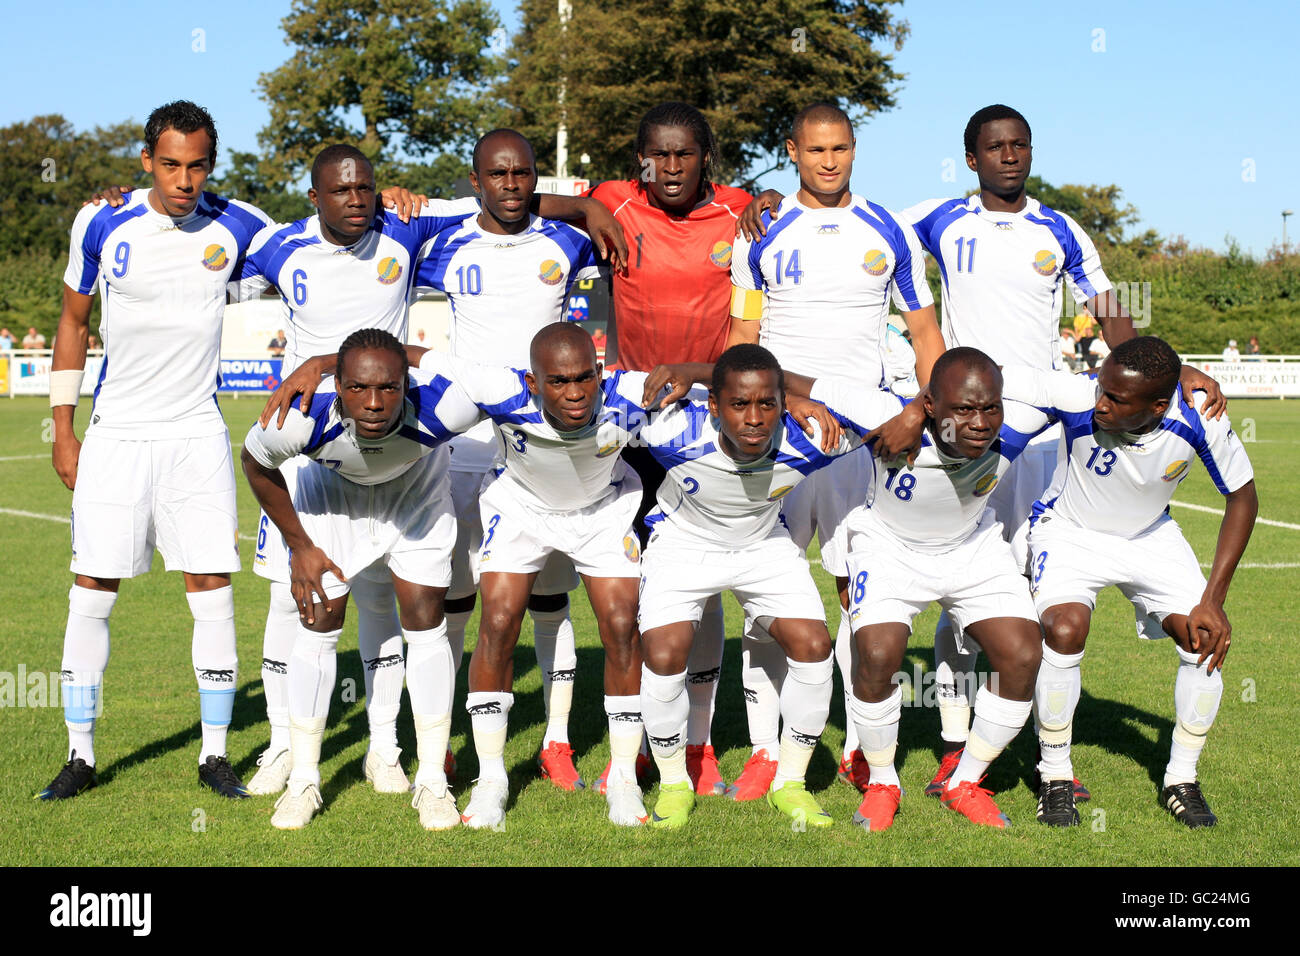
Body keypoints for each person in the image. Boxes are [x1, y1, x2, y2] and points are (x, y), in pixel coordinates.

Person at [36, 100, 272, 802]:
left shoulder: (240, 224)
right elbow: (73, 325)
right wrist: (64, 427)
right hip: (115, 435)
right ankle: (80, 756)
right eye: (170, 164)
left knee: (211, 589)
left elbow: (325, 237)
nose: (184, 179)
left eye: (197, 165)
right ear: (147, 161)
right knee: (91, 592)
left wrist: (392, 198)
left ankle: (216, 755)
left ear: (211, 165)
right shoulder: (101, 220)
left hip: (196, 435)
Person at [233, 144, 482, 798]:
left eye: (366, 188)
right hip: (312, 448)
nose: (356, 200)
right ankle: (285, 746)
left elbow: (501, 200)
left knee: (379, 599)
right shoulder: (277, 245)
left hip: (393, 433)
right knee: (293, 595)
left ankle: (384, 748)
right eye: (341, 191)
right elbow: (194, 233)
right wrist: (127, 201)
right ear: (313, 196)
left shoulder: (404, 225)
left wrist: (593, 204)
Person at [727, 102, 944, 797]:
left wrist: (927, 407)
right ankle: (766, 748)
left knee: (859, 589)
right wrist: (783, 401)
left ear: (854, 149)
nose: (829, 161)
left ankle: (856, 743)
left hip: (864, 440)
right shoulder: (761, 229)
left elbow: (924, 331)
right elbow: (740, 339)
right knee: (767, 592)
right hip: (782, 435)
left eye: (841, 148)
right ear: (792, 151)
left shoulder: (889, 228)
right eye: (815, 149)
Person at [408, 129, 601, 792]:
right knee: (460, 600)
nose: (511, 185)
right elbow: (368, 218)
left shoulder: (568, 242)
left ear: (535, 177)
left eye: (522, 173)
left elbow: (630, 215)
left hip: (547, 448)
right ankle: (457, 739)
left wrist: (589, 207)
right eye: (498, 174)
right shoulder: (442, 240)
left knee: (548, 597)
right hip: (465, 446)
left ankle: (556, 740)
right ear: (475, 178)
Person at [1005, 336, 1256, 829]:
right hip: (1070, 531)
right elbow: (996, 377)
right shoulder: (1081, 396)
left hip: (1149, 536)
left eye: (1117, 400)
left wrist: (1214, 600)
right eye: (1102, 390)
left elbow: (1242, 497)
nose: (1101, 404)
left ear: (1160, 405)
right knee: (1063, 629)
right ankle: (1055, 776)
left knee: (1204, 639)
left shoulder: (1199, 414)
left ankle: (1181, 779)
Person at [790, 349, 1047, 830]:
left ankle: (964, 781)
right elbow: (775, 377)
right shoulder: (879, 411)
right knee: (878, 653)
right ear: (930, 403)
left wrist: (1184, 375)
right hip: (889, 547)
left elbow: (1118, 384)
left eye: (990, 408)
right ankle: (884, 781)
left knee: (1023, 654)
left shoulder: (1023, 418)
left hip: (973, 547)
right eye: (963, 410)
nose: (979, 422)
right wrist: (786, 399)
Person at [242, 329, 482, 830]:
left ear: (406, 383)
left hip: (415, 502)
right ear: (339, 385)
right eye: (357, 389)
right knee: (319, 624)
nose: (373, 403)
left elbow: (520, 392)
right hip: (332, 501)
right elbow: (255, 462)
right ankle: (304, 779)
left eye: (389, 389)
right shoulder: (301, 416)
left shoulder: (449, 402)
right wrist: (300, 546)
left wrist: (324, 357)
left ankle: (432, 778)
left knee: (425, 624)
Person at [584, 102, 756, 796]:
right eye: (659, 154)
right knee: (631, 584)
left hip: (708, 427)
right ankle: (632, 747)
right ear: (640, 161)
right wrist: (590, 204)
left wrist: (769, 199)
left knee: (705, 585)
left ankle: (698, 743)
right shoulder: (615, 203)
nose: (673, 166)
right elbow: (527, 192)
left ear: (706, 158)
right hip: (631, 427)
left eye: (686, 153)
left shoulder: (742, 211)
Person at [422, 323, 653, 829]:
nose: (574, 393)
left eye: (584, 378)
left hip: (601, 511)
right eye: (558, 381)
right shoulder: (501, 389)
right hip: (520, 509)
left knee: (620, 627)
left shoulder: (629, 393)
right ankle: (490, 781)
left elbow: (721, 383)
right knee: (499, 624)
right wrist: (318, 362)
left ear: (599, 372)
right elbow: (420, 356)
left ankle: (623, 780)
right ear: (532, 382)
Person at [635, 345, 859, 829]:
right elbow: (578, 392)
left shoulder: (814, 436)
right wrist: (692, 371)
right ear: (713, 405)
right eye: (739, 404)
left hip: (762, 547)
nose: (754, 418)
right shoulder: (668, 427)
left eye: (767, 404)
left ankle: (791, 783)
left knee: (814, 645)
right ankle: (675, 784)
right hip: (683, 545)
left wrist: (797, 398)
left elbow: (880, 411)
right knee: (665, 652)